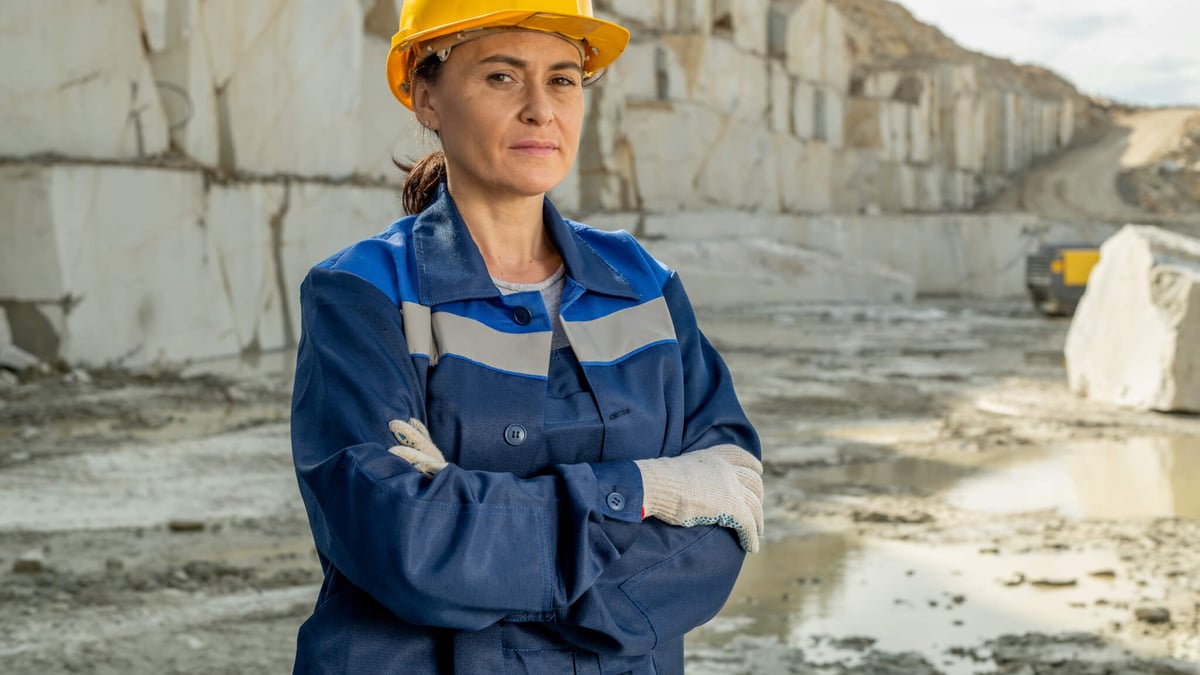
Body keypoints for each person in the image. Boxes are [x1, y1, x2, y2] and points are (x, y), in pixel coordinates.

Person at [289, 2, 765, 673]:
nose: (542, 110)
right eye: (503, 78)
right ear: (427, 97)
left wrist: (479, 524)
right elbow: (404, 546)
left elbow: (721, 534)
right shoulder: (362, 293)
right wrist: (645, 488)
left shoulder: (645, 285)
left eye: (564, 79)